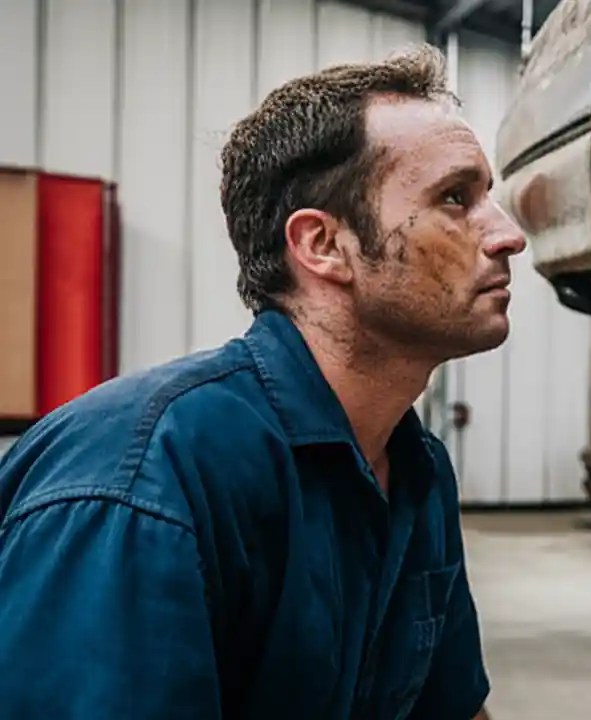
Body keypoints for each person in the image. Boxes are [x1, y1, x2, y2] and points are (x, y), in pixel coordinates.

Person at [0, 44, 523, 719]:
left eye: (490, 198)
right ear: (323, 245)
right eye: (457, 198)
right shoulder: (142, 482)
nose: (508, 235)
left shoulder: (415, 469)